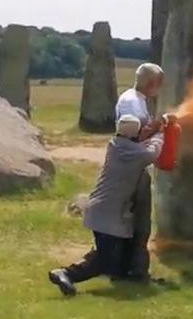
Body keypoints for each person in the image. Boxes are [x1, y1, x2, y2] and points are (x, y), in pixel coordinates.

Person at [48, 115, 164, 296]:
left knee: (113, 253)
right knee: (105, 259)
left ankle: (125, 275)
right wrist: (161, 134)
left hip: (104, 212)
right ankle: (66, 273)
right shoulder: (135, 153)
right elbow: (152, 153)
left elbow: (139, 146)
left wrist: (151, 131)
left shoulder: (117, 145)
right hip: (107, 214)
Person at [115, 62, 168, 281]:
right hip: (132, 169)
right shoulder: (132, 103)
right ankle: (136, 271)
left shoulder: (135, 100)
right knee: (140, 223)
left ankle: (126, 268)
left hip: (133, 166)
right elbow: (134, 136)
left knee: (133, 221)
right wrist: (159, 127)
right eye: (158, 83)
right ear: (151, 82)